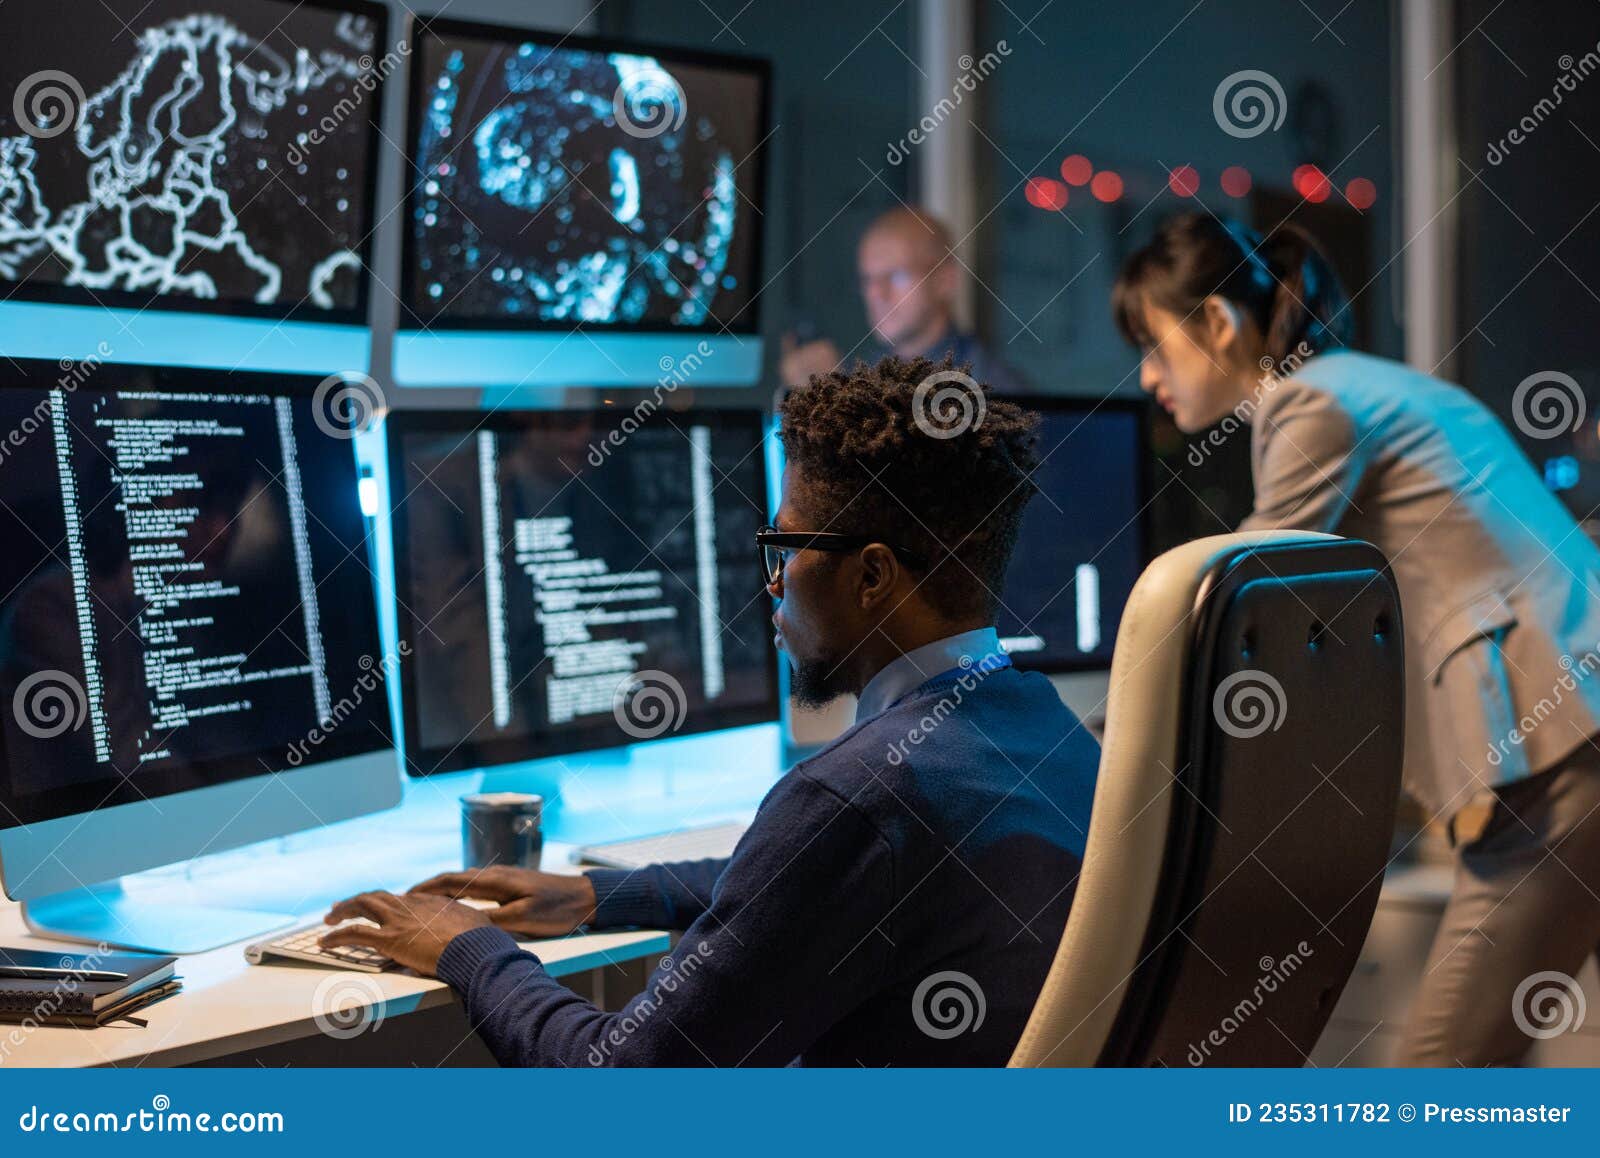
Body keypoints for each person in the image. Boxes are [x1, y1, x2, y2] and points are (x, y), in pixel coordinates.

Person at [324, 356, 1098, 1066]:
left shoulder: (852, 799)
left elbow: (623, 1081)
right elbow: (823, 879)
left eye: (785, 546)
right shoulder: (1048, 729)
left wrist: (470, 949)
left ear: (871, 576)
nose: (772, 582)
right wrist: (601, 896)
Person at [1112, 211, 1600, 1066]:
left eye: (1155, 346)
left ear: (1219, 325)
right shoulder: (1368, 382)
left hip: (1560, 761)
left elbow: (1242, 611)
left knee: (1440, 1085)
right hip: (1577, 727)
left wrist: (1123, 735)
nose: (1150, 377)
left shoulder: (1307, 403)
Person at [780, 206, 1030, 393]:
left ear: (945, 280)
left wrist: (837, 402)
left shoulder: (995, 393)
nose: (876, 293)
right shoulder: (864, 375)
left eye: (896, 276)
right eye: (868, 280)